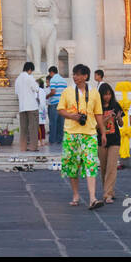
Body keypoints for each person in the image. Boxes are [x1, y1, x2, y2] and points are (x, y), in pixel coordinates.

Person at [58, 64, 105, 209]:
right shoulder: (68, 91)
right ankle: (76, 194)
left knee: (91, 164)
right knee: (72, 165)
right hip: (71, 132)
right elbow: (60, 109)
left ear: (85, 76)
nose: (75, 77)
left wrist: (103, 132)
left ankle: (92, 198)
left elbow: (98, 114)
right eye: (74, 74)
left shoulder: (94, 93)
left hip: (89, 133)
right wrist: (72, 116)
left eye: (78, 74)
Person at [97, 83, 123, 203]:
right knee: (103, 167)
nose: (107, 97)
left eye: (109, 94)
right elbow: (96, 125)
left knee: (112, 167)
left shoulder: (115, 105)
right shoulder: (97, 108)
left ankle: (107, 194)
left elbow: (121, 124)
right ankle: (108, 191)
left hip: (114, 139)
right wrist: (107, 118)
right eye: (105, 95)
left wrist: (118, 118)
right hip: (101, 140)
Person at [15, 61, 40, 152]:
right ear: (29, 70)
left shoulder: (18, 79)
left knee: (24, 128)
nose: (31, 72)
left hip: (22, 106)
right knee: (33, 128)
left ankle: (23, 147)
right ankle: (33, 147)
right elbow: (36, 89)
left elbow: (16, 93)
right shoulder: (29, 78)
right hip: (31, 106)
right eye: (31, 71)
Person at [46, 66, 68, 145]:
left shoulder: (53, 80)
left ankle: (52, 140)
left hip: (54, 103)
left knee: (53, 122)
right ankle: (60, 139)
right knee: (61, 122)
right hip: (63, 104)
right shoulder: (64, 81)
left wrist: (47, 96)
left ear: (51, 72)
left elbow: (53, 92)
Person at [36, 77, 48, 148]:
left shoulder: (36, 91)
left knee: (37, 126)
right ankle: (43, 140)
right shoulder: (43, 91)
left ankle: (38, 141)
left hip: (38, 109)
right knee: (42, 126)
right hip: (43, 110)